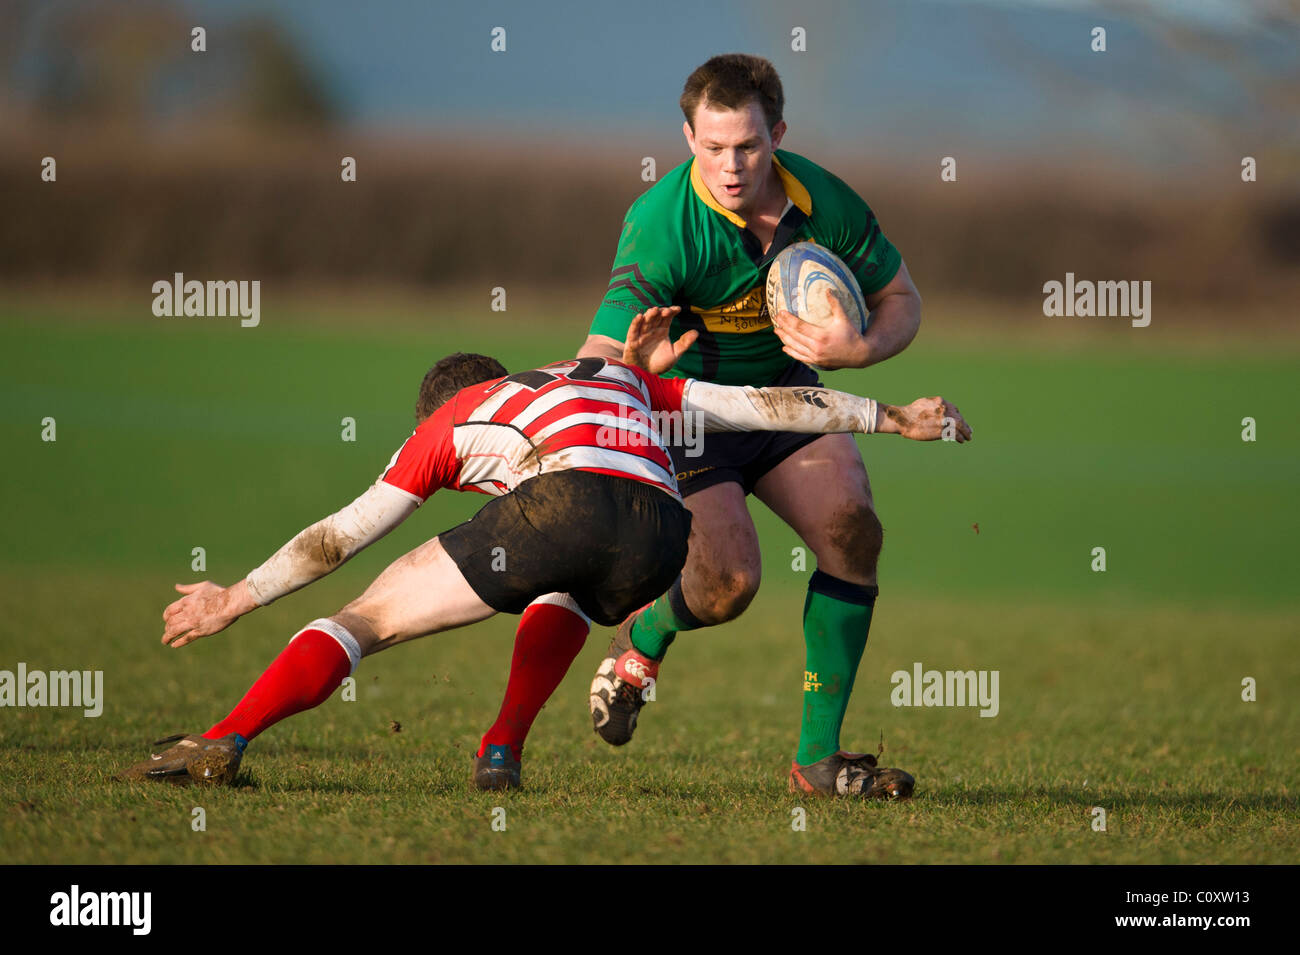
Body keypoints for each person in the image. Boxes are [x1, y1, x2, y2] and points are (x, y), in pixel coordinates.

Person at [120, 311, 970, 790]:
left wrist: (236, 596)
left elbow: (343, 531)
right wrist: (889, 416)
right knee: (560, 584)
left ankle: (222, 740)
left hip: (573, 502)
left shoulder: (451, 422)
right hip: (661, 532)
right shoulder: (614, 375)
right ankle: (501, 751)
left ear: (438, 410)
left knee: (364, 618)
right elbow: (754, 403)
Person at [498, 52, 930, 800]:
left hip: (789, 400)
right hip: (691, 416)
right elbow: (602, 349)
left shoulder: (823, 200)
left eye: (750, 146)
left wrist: (861, 347)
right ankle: (643, 638)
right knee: (729, 584)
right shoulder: (663, 222)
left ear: (778, 133)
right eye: (713, 147)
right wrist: (613, 376)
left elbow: (902, 296)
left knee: (854, 532)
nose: (732, 167)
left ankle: (816, 763)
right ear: (688, 135)